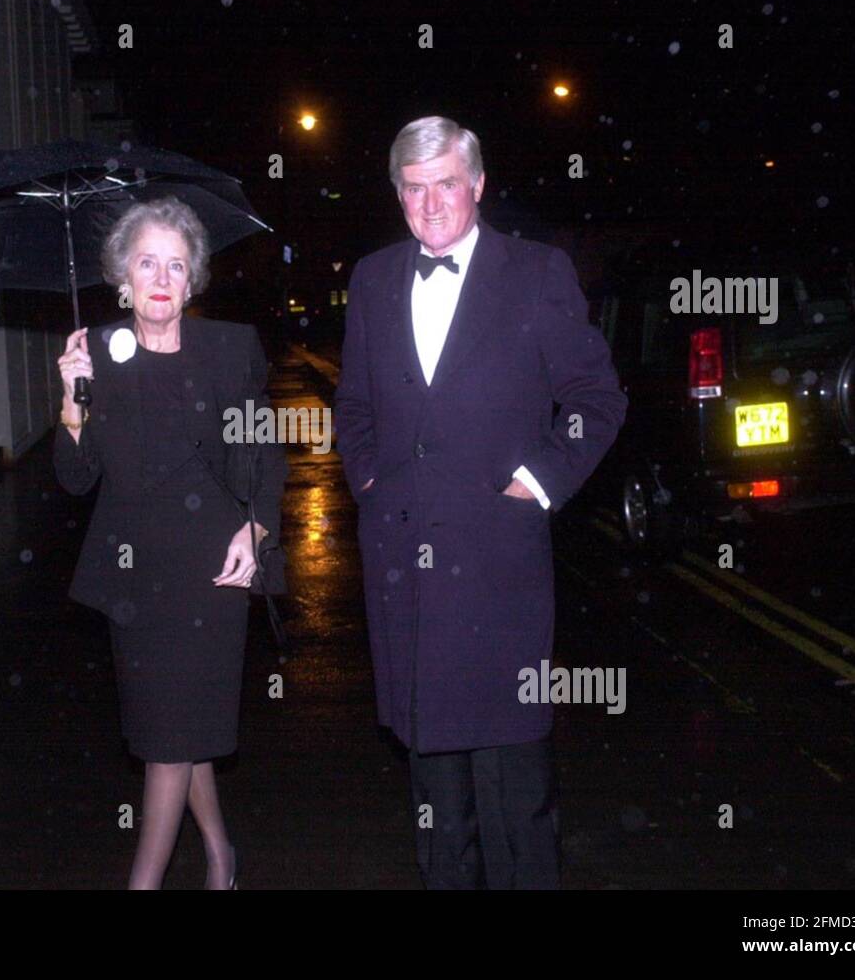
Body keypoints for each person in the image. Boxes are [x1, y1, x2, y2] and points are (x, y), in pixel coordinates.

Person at [334, 116, 627, 889]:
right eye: (414, 189)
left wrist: (534, 486)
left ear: (479, 187)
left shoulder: (536, 273)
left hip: (498, 573)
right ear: (398, 194)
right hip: (408, 574)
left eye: (447, 186)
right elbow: (354, 407)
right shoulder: (371, 279)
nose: (432, 205)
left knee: (518, 798)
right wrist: (370, 481)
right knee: (437, 799)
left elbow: (597, 399)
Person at [53, 195, 286, 889]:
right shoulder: (92, 354)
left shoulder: (229, 349)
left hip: (213, 570)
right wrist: (71, 404)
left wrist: (258, 527)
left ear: (193, 281)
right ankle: (220, 854)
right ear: (123, 275)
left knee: (166, 745)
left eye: (176, 265)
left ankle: (144, 881)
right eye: (147, 262)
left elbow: (265, 453)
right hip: (136, 580)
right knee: (174, 734)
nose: (161, 277)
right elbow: (75, 478)